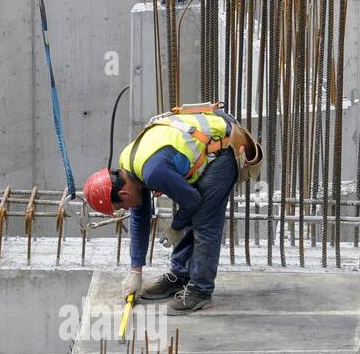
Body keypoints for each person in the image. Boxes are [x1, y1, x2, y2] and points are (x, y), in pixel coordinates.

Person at [82, 103, 260, 313]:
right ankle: (180, 275)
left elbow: (192, 201)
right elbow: (140, 219)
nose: (127, 211)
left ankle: (201, 291)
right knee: (192, 212)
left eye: (121, 208)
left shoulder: (152, 172)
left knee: (204, 220)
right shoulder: (129, 167)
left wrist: (176, 227)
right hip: (207, 146)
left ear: (123, 194)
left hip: (223, 149)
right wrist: (135, 271)